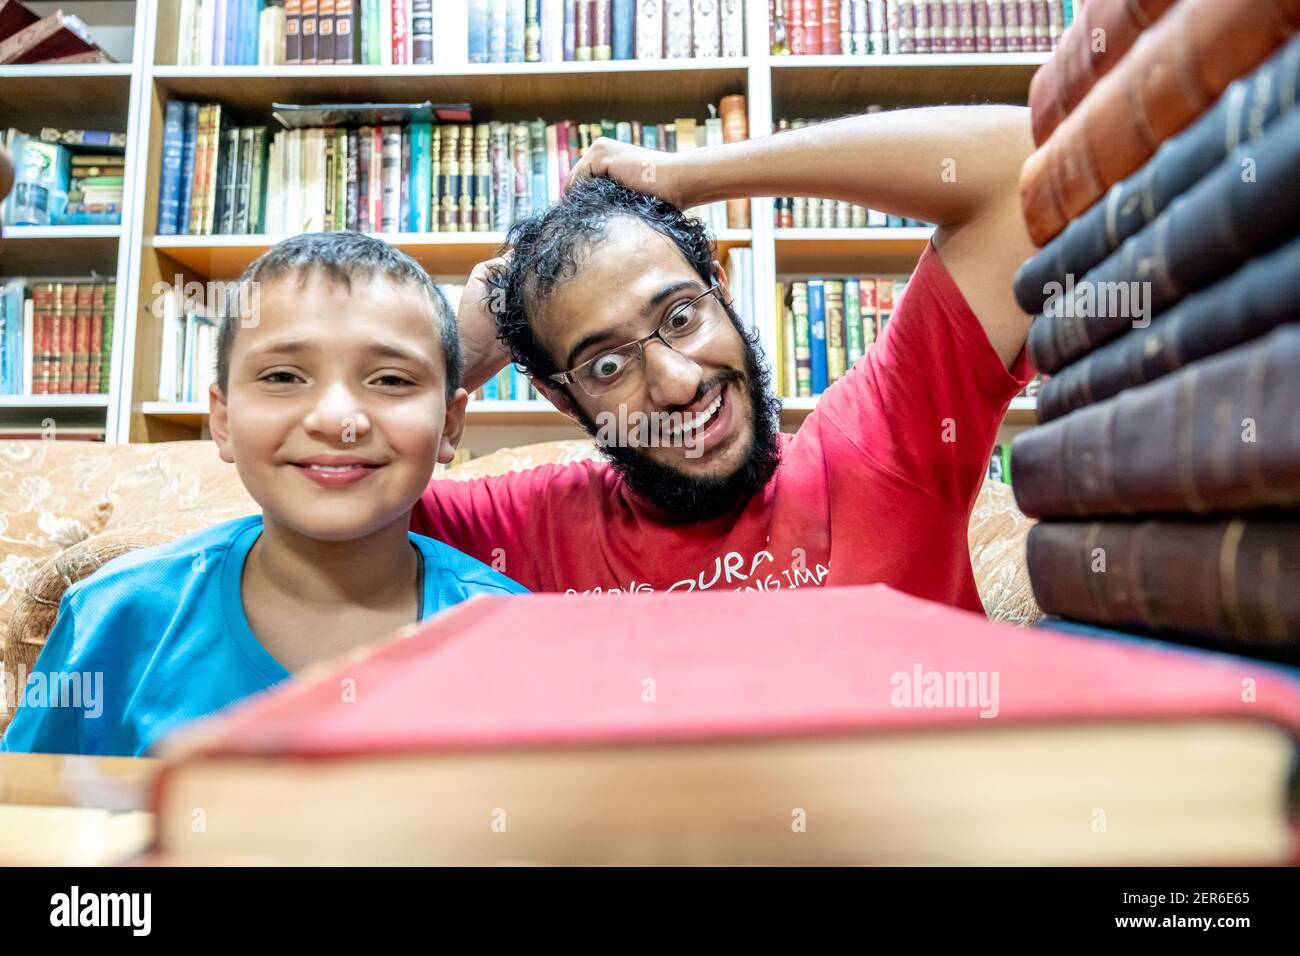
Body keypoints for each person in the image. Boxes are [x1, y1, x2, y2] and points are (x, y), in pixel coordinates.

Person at [412, 106, 1037, 609]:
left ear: (722, 291)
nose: (678, 384)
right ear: (563, 399)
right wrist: (458, 356)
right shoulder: (521, 527)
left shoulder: (879, 447)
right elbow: (324, 503)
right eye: (607, 365)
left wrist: (689, 178)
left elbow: (1026, 166)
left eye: (681, 317)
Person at [2, 233, 526, 757]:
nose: (337, 419)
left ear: (449, 425)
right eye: (283, 376)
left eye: (389, 380)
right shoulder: (113, 616)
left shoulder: (515, 638)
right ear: (223, 420)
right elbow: (31, 823)